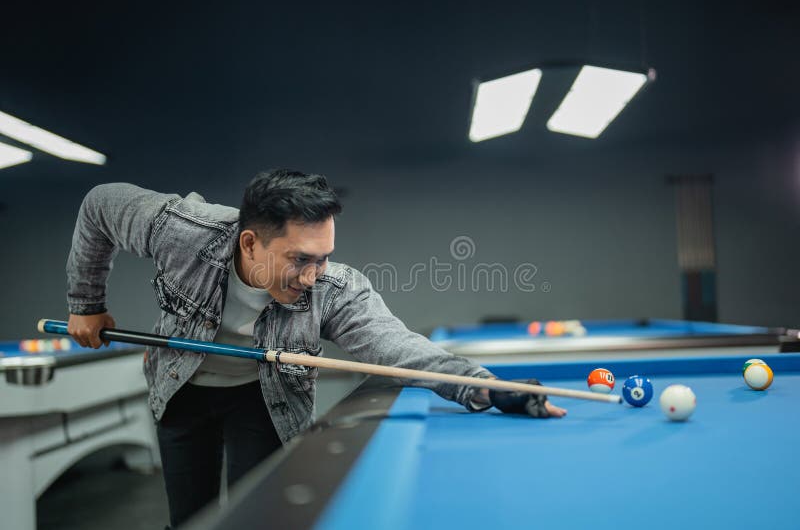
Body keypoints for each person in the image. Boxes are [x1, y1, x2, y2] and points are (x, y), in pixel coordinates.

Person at [66, 169, 566, 528]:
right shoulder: (183, 231)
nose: (313, 276)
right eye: (300, 259)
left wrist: (485, 387)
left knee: (258, 518)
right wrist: (87, 303)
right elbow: (100, 203)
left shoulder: (335, 288)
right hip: (181, 388)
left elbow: (396, 347)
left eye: (323, 258)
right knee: (190, 519)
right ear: (249, 244)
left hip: (262, 399)